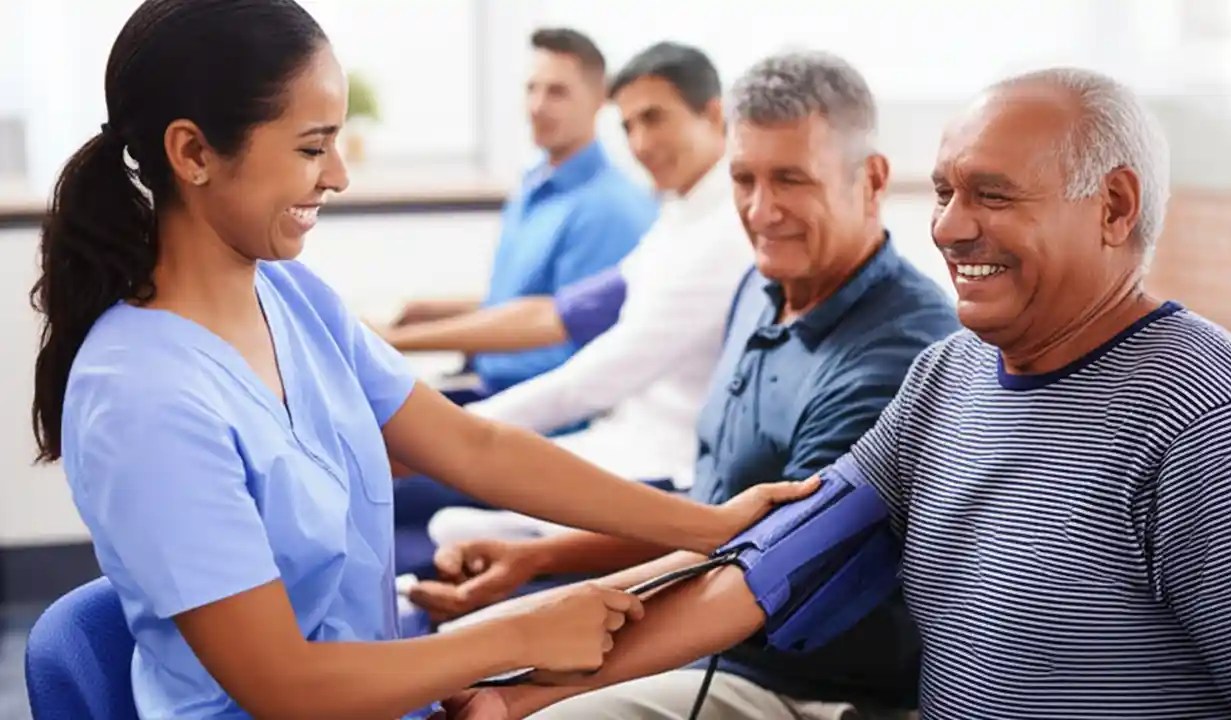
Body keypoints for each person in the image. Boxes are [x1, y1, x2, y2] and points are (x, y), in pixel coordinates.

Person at [29, 3, 816, 718]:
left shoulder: (293, 297)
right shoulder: (141, 396)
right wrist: (512, 638)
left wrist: (708, 524)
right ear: (193, 151)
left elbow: (475, 445)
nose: (337, 175)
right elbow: (284, 686)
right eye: (312, 147)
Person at [466, 67, 1231, 720]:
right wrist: (524, 691)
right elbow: (767, 566)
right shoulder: (947, 375)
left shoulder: (1216, 423)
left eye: (992, 195)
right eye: (945, 192)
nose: (949, 228)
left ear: (1114, 206)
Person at [416, 51, 960, 719]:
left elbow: (753, 573)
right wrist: (539, 560)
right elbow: (717, 516)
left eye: (791, 180)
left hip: (800, 690)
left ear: (871, 179)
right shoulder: (761, 292)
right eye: (744, 179)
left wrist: (522, 669)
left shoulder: (893, 353)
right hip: (707, 646)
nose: (762, 211)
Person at [396, 42, 755, 555]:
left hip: (662, 468)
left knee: (429, 522)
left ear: (713, 114)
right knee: (419, 504)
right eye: (629, 126)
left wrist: (452, 438)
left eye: (655, 119)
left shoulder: (722, 232)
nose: (640, 143)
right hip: (611, 440)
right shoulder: (679, 219)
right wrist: (398, 338)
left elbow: (595, 377)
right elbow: (561, 311)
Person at [389, 28, 657, 396]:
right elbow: (523, 300)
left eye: (557, 92)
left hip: (530, 404)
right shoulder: (534, 185)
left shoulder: (609, 210)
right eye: (531, 88)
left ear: (600, 99)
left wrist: (395, 340)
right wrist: (432, 311)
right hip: (486, 380)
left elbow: (564, 334)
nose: (537, 105)